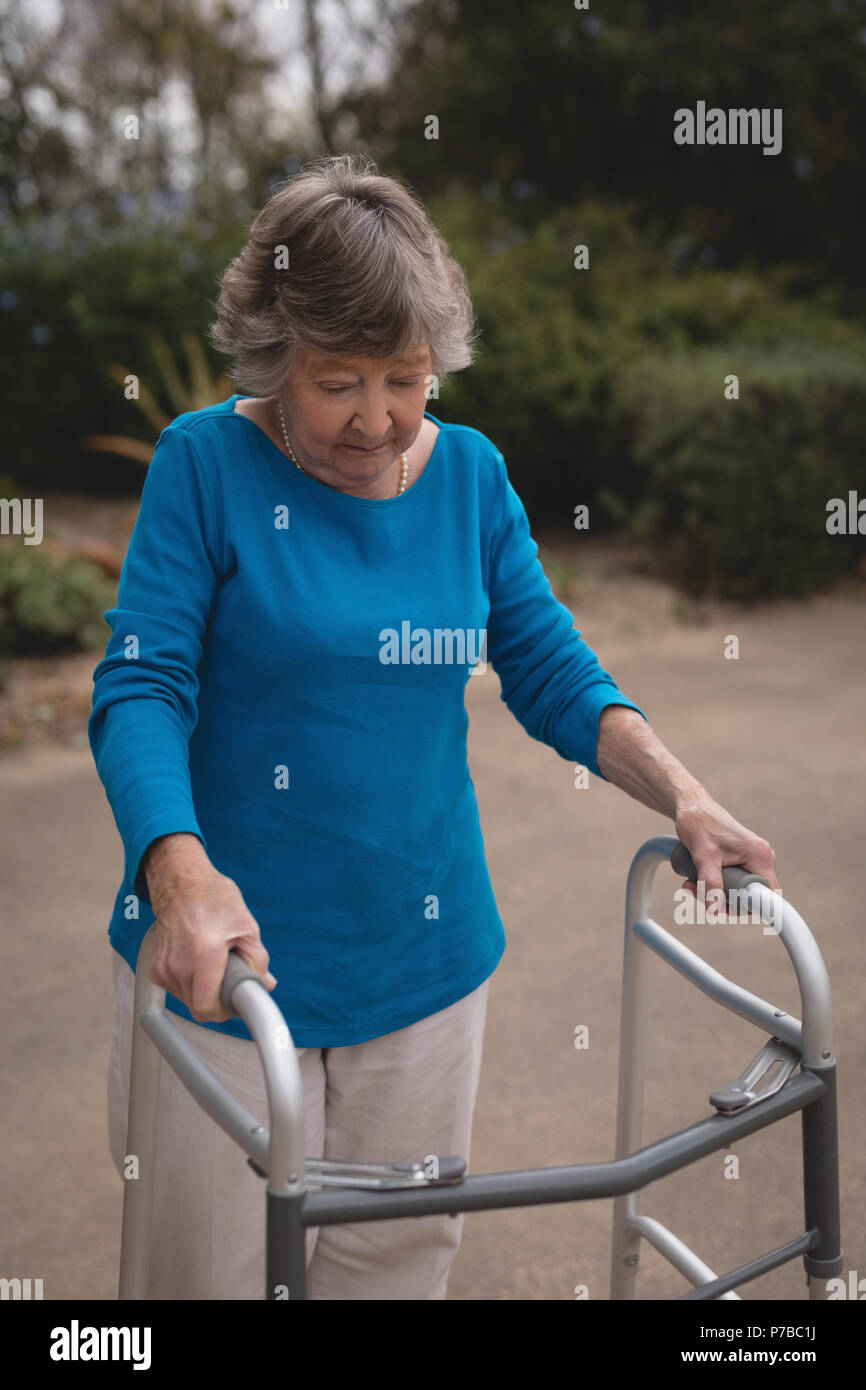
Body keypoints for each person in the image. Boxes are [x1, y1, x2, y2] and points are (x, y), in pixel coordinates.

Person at [89, 152, 780, 1301]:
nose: (376, 419)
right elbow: (140, 686)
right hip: (226, 970)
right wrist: (180, 875)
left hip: (423, 966)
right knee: (208, 1284)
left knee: (395, 1274)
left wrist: (684, 795)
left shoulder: (468, 475)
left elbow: (548, 665)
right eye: (337, 381)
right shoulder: (203, 464)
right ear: (272, 352)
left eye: (404, 379)